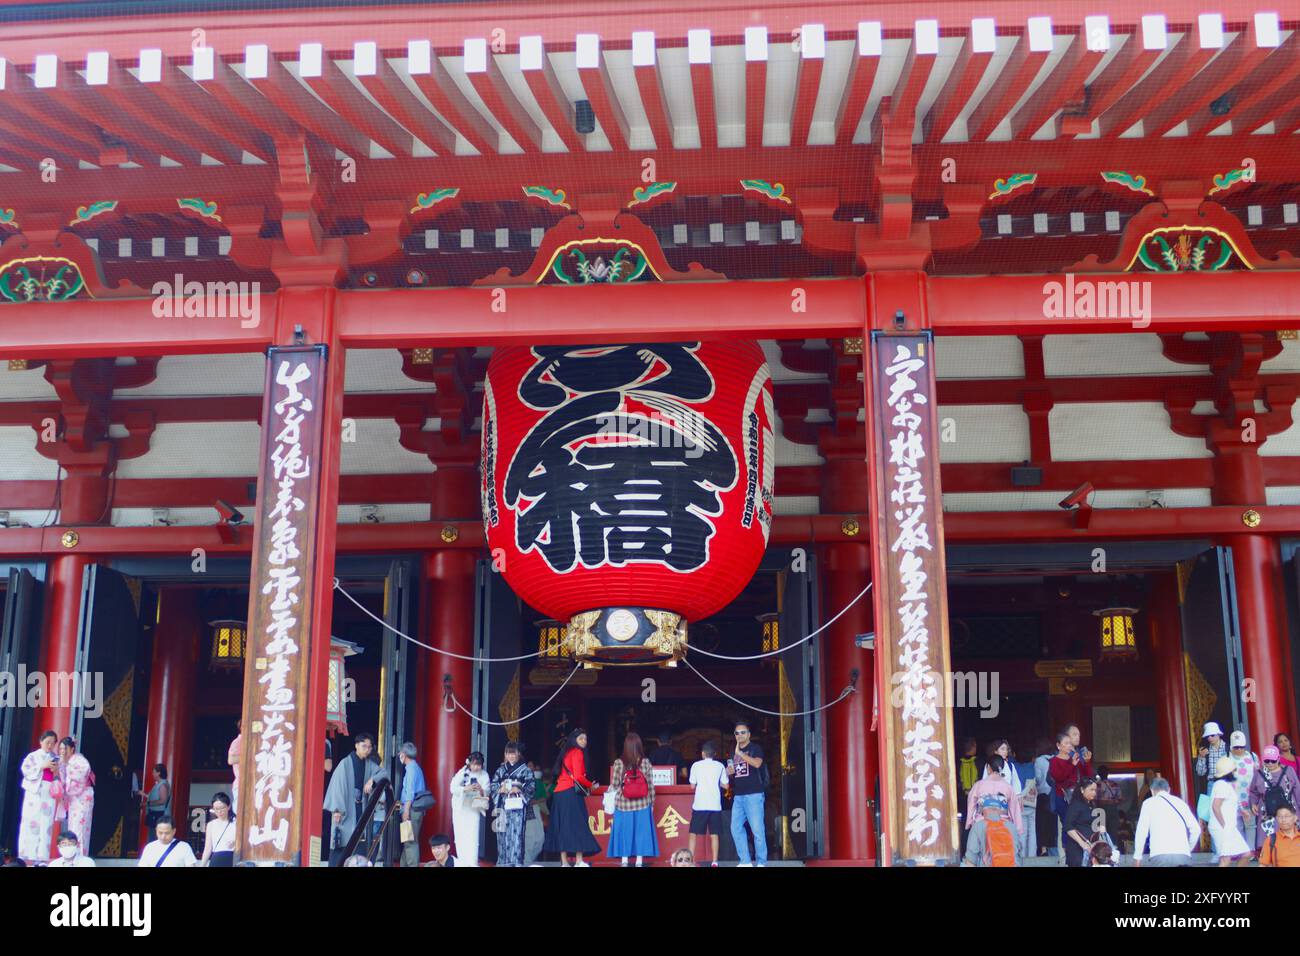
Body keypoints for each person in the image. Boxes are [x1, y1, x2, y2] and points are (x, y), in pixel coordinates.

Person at [323, 732, 389, 866]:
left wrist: (372, 780)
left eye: (369, 747)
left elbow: (384, 773)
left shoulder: (369, 765)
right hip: (345, 810)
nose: (367, 750)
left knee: (360, 842)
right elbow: (338, 787)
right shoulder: (345, 764)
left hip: (360, 809)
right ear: (356, 746)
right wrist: (337, 809)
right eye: (364, 746)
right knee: (341, 843)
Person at [541, 728, 602, 867]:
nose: (584, 741)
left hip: (559, 793)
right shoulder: (578, 753)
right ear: (574, 740)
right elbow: (579, 776)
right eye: (581, 738)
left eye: (585, 739)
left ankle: (564, 862)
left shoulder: (566, 753)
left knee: (562, 826)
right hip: (570, 793)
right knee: (578, 824)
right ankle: (579, 860)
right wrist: (590, 785)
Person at [609, 731, 658, 867]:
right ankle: (639, 860)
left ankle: (624, 860)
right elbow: (650, 785)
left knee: (624, 832)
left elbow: (615, 784)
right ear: (639, 746)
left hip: (623, 805)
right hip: (642, 804)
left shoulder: (619, 763)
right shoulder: (645, 762)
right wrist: (652, 803)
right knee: (641, 833)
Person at [1132, 777, 1201, 867]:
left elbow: (1142, 831)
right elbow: (1196, 829)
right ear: (1169, 790)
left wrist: (1137, 857)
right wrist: (1188, 848)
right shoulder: (1181, 803)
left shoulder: (1148, 803)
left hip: (1159, 855)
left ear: (1152, 791)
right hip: (1183, 855)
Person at [727, 722, 767, 867]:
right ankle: (745, 861)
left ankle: (761, 862)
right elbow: (732, 772)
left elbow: (757, 764)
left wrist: (741, 754)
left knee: (757, 830)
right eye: (737, 733)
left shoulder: (755, 748)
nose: (740, 735)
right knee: (735, 828)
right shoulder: (733, 752)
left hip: (754, 795)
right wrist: (728, 771)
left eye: (743, 732)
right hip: (738, 796)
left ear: (749, 734)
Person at [490, 742, 535, 867]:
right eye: (508, 753)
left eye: (513, 753)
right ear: (505, 754)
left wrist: (519, 790)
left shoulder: (525, 770)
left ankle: (515, 864)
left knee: (516, 836)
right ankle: (502, 863)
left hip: (517, 808)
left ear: (518, 754)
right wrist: (500, 789)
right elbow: (492, 786)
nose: (511, 756)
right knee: (502, 836)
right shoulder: (500, 770)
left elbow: (531, 787)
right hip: (502, 806)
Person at [17, 730, 59, 864]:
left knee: (46, 825)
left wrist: (56, 771)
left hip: (48, 792)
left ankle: (41, 858)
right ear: (41, 741)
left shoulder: (55, 757)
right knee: (30, 822)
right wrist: (42, 766)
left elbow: (60, 776)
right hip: (34, 793)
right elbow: (26, 770)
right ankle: (26, 856)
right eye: (47, 742)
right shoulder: (32, 756)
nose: (50, 746)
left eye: (53, 743)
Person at [1249, 745, 1300, 852]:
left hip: (1289, 810)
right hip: (1267, 813)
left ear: (1278, 759)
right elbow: (1253, 791)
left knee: (1291, 843)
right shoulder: (1259, 773)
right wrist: (1253, 803)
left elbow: (1297, 790)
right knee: (1270, 845)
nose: (1270, 764)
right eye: (1267, 761)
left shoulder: (1288, 770)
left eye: (1273, 761)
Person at [688, 740, 727, 866]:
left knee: (693, 833)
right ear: (714, 754)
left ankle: (690, 861)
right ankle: (715, 862)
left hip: (700, 805)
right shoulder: (720, 766)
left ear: (703, 753)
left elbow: (692, 786)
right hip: (715, 806)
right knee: (714, 834)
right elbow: (726, 785)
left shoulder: (696, 765)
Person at [1048, 731, 1093, 840]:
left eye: (1070, 743)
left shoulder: (1074, 758)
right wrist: (1071, 765)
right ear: (1058, 745)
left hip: (1076, 796)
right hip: (1062, 796)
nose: (1069, 746)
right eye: (1066, 743)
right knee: (1066, 822)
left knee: (1078, 822)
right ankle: (1065, 850)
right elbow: (1059, 778)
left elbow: (1088, 776)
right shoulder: (1054, 761)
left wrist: (1086, 762)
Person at [1208, 756, 1251, 866]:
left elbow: (1226, 805)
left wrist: (1242, 812)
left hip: (1228, 827)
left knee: (1245, 853)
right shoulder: (1222, 785)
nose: (1235, 772)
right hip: (1222, 827)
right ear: (1229, 772)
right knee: (1225, 859)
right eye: (1234, 770)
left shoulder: (1223, 784)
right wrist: (1224, 825)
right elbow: (1215, 806)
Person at [449, 751, 490, 866]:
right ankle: (462, 863)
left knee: (472, 837)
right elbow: (452, 787)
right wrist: (465, 788)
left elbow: (487, 791)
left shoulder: (484, 775)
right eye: (474, 764)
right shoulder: (463, 772)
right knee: (460, 836)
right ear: (469, 763)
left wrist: (481, 789)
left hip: (473, 809)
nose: (476, 767)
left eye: (479, 764)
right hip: (461, 809)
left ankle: (472, 863)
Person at [55, 737, 94, 856]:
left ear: (72, 749)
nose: (62, 751)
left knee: (81, 828)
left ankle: (80, 858)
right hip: (74, 798)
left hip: (83, 797)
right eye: (60, 748)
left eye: (64, 748)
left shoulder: (79, 760)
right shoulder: (64, 762)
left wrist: (66, 766)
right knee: (73, 827)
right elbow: (63, 780)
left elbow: (83, 773)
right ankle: (72, 856)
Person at [965, 755, 1022, 837]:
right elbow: (1014, 809)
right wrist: (1018, 829)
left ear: (988, 767)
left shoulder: (978, 785)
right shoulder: (1008, 787)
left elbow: (971, 804)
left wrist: (969, 823)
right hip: (1003, 825)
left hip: (982, 824)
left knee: (975, 849)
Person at [397, 741, 431, 868]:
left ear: (404, 754)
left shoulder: (411, 769)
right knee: (408, 841)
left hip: (411, 810)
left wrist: (405, 811)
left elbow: (410, 792)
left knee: (410, 842)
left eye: (400, 752)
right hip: (416, 810)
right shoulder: (416, 768)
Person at [963, 794, 1020, 867]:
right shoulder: (1011, 827)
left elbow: (970, 860)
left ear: (983, 810)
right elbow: (1016, 854)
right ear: (999, 810)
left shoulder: (977, 827)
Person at [1227, 730, 1260, 849]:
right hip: (1232, 798)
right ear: (1231, 746)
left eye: (1242, 747)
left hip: (1249, 798)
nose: (1239, 749)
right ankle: (1241, 850)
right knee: (1237, 825)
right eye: (1236, 747)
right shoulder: (1226, 757)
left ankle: (1250, 850)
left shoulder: (1252, 756)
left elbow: (1259, 775)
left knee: (1251, 825)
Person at [1062, 777, 1100, 868]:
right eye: (1091, 790)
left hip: (1089, 848)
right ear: (1082, 790)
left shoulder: (1091, 805)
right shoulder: (1076, 805)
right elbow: (1068, 826)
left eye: (1095, 790)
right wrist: (1082, 843)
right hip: (1077, 849)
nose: (1094, 793)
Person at [1032, 739, 1057, 856]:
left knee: (1042, 823)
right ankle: (1054, 847)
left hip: (1043, 795)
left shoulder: (1039, 760)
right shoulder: (1055, 759)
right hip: (1054, 794)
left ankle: (1043, 849)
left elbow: (1037, 778)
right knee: (1053, 823)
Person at [199, 792, 236, 867]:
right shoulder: (211, 825)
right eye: (216, 809)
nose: (219, 811)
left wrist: (236, 842)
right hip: (216, 859)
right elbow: (208, 848)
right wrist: (202, 865)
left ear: (228, 806)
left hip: (233, 858)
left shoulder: (236, 822)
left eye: (222, 808)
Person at [524, 761, 548, 865]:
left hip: (535, 809)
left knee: (539, 837)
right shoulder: (522, 779)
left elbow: (544, 797)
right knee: (528, 836)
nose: (529, 768)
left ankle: (531, 859)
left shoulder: (538, 782)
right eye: (527, 766)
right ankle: (526, 860)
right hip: (525, 811)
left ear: (534, 768)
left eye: (531, 766)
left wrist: (535, 801)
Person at [1194, 722, 1228, 794]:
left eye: (1212, 735)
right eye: (1207, 736)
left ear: (1218, 734)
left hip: (1227, 783)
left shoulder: (1228, 748)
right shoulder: (1205, 751)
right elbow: (1200, 773)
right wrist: (1201, 757)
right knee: (1212, 805)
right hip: (1212, 784)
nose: (1210, 738)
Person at [141, 764, 172, 830]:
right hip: (156, 816)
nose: (152, 774)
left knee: (155, 838)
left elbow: (162, 800)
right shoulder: (160, 784)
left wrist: (147, 803)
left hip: (159, 816)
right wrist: (144, 794)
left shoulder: (162, 785)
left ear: (158, 773)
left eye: (154, 772)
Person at [1095, 766, 1122, 836]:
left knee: (1101, 833)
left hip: (1100, 810)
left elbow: (1093, 800)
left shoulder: (1095, 785)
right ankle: (1113, 846)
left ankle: (1103, 846)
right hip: (1112, 810)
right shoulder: (1114, 784)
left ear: (1098, 774)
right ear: (1108, 773)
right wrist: (1111, 802)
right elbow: (1120, 799)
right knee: (1113, 833)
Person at [227, 720, 242, 814]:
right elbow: (231, 760)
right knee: (240, 813)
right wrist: (251, 755)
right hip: (241, 783)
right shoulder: (238, 741)